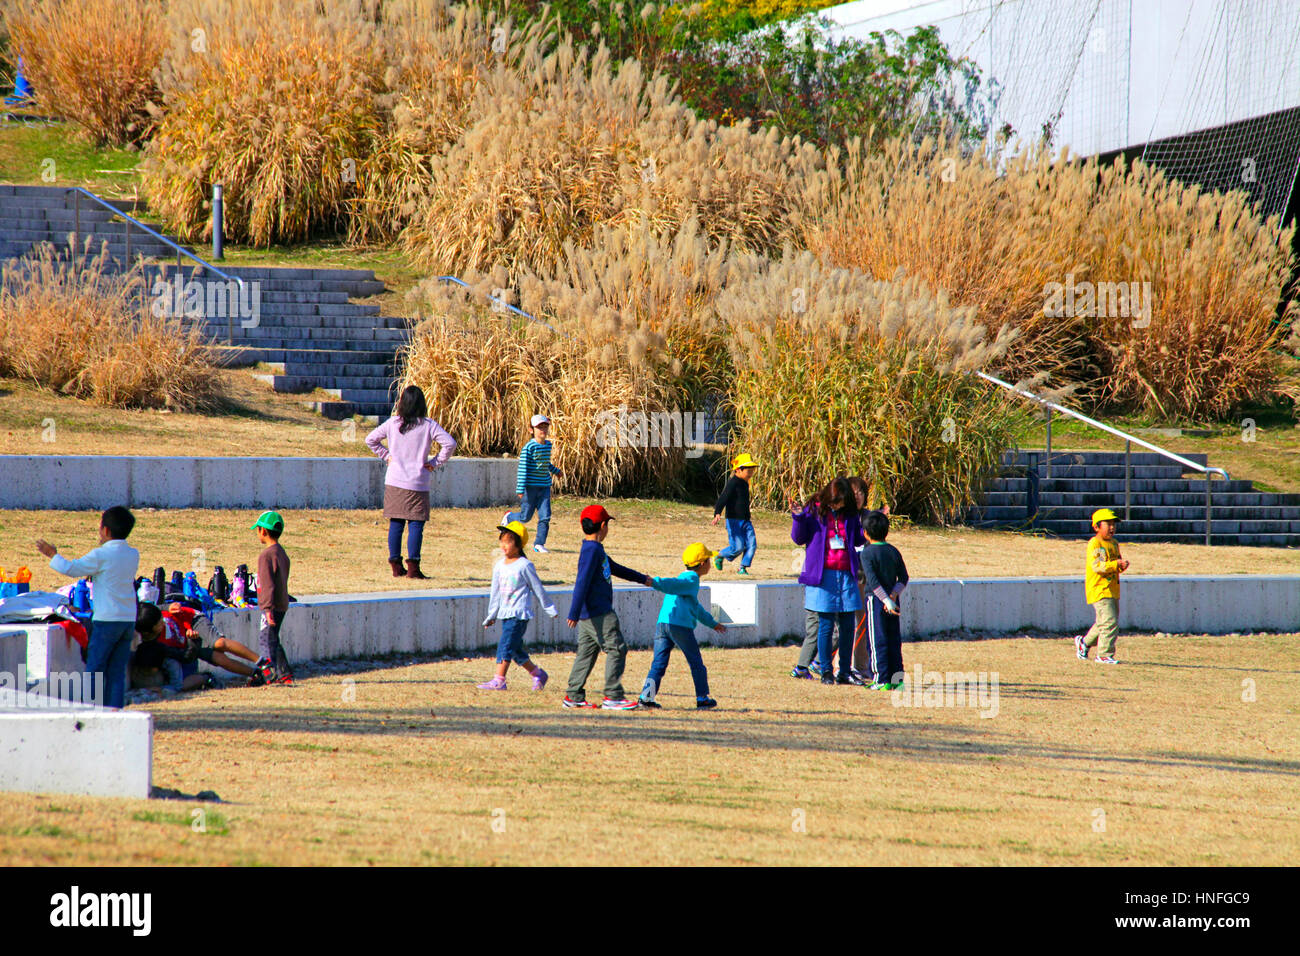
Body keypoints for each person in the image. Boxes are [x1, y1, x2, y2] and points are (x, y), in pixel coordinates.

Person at [35, 506, 139, 708]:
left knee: (95, 669)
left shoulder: (102, 555)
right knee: (116, 671)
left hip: (107, 620)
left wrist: (53, 555)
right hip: (127, 619)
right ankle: (114, 711)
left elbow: (71, 569)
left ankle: (91, 710)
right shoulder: (132, 554)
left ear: (106, 530)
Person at [562, 504, 651, 710]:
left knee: (586, 653)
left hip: (589, 614)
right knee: (617, 648)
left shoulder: (593, 549)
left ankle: (573, 696)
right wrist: (573, 612)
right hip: (598, 612)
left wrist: (642, 579)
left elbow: (615, 568)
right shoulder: (592, 550)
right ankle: (613, 696)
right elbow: (581, 581)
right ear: (603, 525)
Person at [366, 384, 457, 579]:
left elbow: (370, 440)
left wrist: (386, 455)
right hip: (418, 481)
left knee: (396, 523)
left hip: (395, 480)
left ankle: (396, 566)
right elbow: (450, 443)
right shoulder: (428, 425)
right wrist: (434, 463)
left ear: (402, 403)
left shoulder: (392, 423)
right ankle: (413, 568)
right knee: (416, 524)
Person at [790, 478, 866, 686]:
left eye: (840, 502)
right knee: (825, 625)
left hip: (846, 575)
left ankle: (844, 671)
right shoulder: (813, 510)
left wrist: (868, 523)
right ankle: (825, 671)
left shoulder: (850, 514)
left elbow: (858, 539)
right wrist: (798, 517)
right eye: (834, 502)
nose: (836, 506)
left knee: (848, 625)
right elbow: (798, 538)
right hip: (822, 576)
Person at [638, 543, 724, 710]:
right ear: (701, 564)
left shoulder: (686, 580)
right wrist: (654, 582)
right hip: (679, 626)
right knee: (696, 661)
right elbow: (672, 584)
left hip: (662, 624)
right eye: (708, 560)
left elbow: (696, 608)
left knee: (658, 663)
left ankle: (646, 698)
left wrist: (712, 624)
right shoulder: (691, 579)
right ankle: (702, 697)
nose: (710, 563)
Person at [478, 520, 557, 691]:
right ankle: (538, 674)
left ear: (519, 545)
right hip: (505, 613)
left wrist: (549, 608)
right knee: (514, 650)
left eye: (508, 541)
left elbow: (538, 588)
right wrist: (491, 616)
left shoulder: (524, 565)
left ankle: (499, 680)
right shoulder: (499, 566)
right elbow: (495, 593)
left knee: (505, 645)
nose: (504, 545)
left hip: (519, 614)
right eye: (502, 541)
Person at [134, 601, 269, 690]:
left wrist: (168, 607)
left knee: (219, 643)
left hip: (193, 620)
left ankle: (263, 662)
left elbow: (157, 607)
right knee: (220, 659)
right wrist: (193, 640)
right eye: (159, 624)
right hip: (191, 643)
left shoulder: (152, 613)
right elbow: (187, 657)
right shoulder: (158, 646)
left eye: (162, 619)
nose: (163, 622)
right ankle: (257, 674)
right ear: (148, 632)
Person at [859, 509, 909, 689]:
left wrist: (885, 600)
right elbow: (904, 577)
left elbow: (872, 582)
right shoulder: (893, 551)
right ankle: (897, 679)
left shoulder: (867, 553)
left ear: (865, 533)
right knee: (893, 639)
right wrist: (893, 596)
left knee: (876, 639)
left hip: (876, 601)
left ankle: (881, 679)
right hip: (894, 602)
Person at [1077, 507, 1128, 664]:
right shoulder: (1096, 543)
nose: (1112, 527)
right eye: (1108, 524)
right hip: (1099, 589)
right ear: (1097, 527)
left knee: (1104, 622)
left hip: (1112, 589)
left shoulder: (1113, 543)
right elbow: (1098, 566)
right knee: (1110, 622)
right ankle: (1104, 654)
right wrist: (1115, 565)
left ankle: (1084, 644)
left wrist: (1122, 565)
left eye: (1113, 524)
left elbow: (1114, 563)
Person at [504, 414, 561, 555]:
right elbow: (523, 468)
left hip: (544, 487)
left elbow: (544, 463)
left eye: (545, 426)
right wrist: (520, 488)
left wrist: (555, 471)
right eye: (539, 427)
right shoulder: (528, 448)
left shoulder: (548, 445)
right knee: (525, 517)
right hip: (530, 488)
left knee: (545, 516)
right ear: (531, 430)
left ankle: (539, 544)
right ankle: (509, 517)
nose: (542, 429)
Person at [252, 510, 294, 684]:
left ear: (263, 531)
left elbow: (267, 584)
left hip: (271, 605)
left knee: (266, 640)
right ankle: (284, 674)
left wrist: (267, 609)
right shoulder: (281, 553)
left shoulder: (266, 556)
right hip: (282, 604)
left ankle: (271, 674)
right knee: (273, 639)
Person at [711, 453, 758, 575]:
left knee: (752, 544)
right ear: (738, 470)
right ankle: (720, 555)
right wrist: (717, 512)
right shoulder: (733, 483)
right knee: (738, 547)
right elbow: (723, 498)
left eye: (752, 470)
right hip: (734, 521)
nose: (751, 473)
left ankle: (742, 567)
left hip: (746, 521)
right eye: (749, 470)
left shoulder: (744, 483)